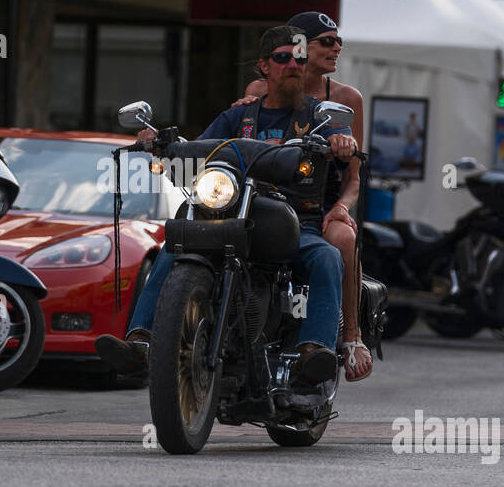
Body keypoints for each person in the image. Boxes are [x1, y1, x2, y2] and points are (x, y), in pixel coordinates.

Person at [96, 25, 353, 389]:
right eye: (282, 58)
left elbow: (341, 151)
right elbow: (198, 152)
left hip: (295, 222)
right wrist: (159, 146)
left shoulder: (317, 116)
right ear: (264, 66)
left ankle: (314, 352)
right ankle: (141, 342)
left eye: (298, 58)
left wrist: (341, 142)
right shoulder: (238, 117)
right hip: (231, 215)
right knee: (175, 246)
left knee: (326, 258)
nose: (292, 65)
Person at [233, 11, 372, 381]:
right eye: (326, 41)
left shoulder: (345, 99)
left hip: (320, 203)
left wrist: (341, 207)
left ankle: (350, 337)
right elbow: (240, 142)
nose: (336, 47)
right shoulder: (259, 93)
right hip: (263, 200)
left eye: (338, 40)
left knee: (341, 239)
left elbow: (354, 176)